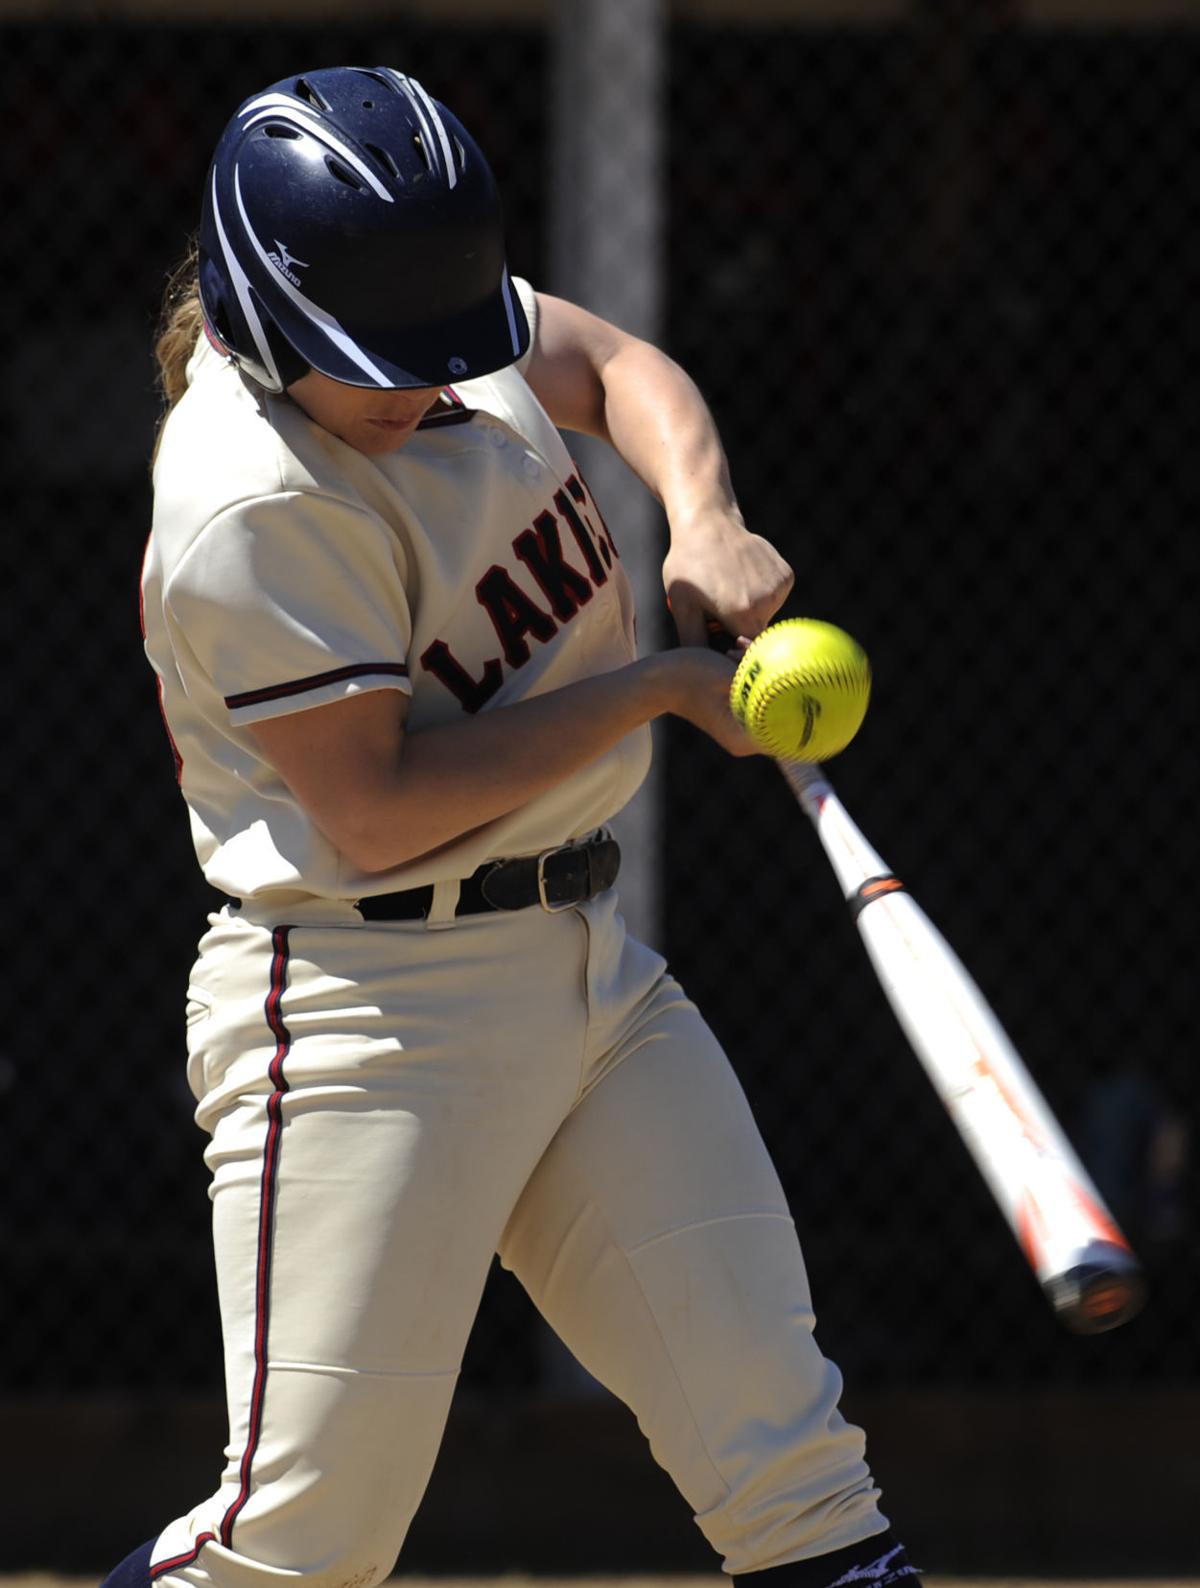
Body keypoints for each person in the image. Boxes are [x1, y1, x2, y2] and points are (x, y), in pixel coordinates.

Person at [103, 65, 919, 1588]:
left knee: (794, 1470)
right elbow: (377, 809)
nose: (429, 389)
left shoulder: (412, 319)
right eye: (384, 369)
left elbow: (609, 369)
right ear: (278, 329)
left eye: (441, 352)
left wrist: (705, 513)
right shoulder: (248, 499)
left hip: (584, 970)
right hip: (367, 1007)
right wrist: (664, 687)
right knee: (296, 1543)